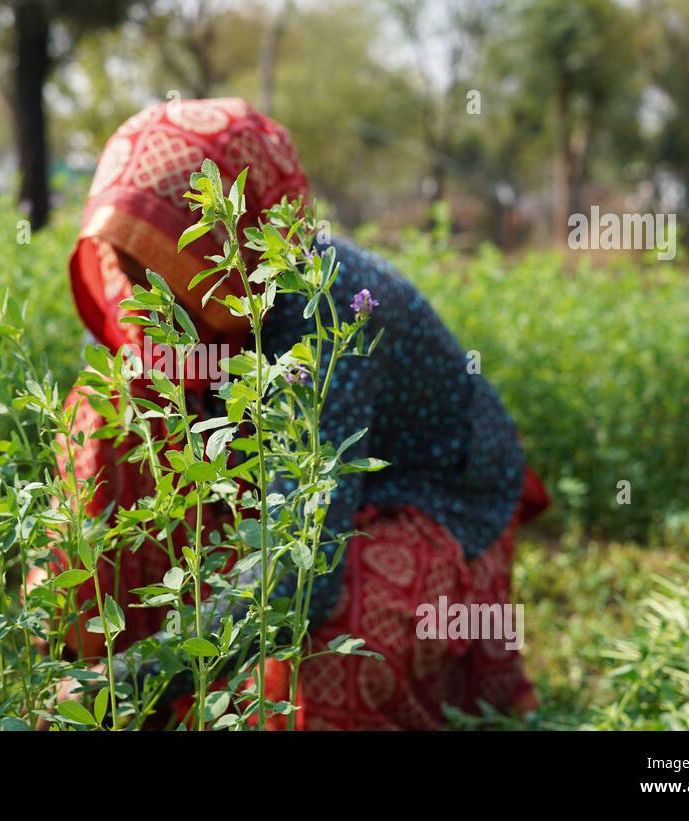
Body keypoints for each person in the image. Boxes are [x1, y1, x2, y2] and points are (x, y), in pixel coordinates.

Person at [51, 97, 549, 730]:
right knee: (107, 411)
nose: (142, 298)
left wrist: (132, 682)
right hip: (276, 485)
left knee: (332, 655)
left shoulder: (323, 313)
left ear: (237, 244)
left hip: (423, 490)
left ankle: (144, 687)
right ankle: (92, 657)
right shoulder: (154, 289)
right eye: (127, 257)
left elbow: (302, 574)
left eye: (166, 266)